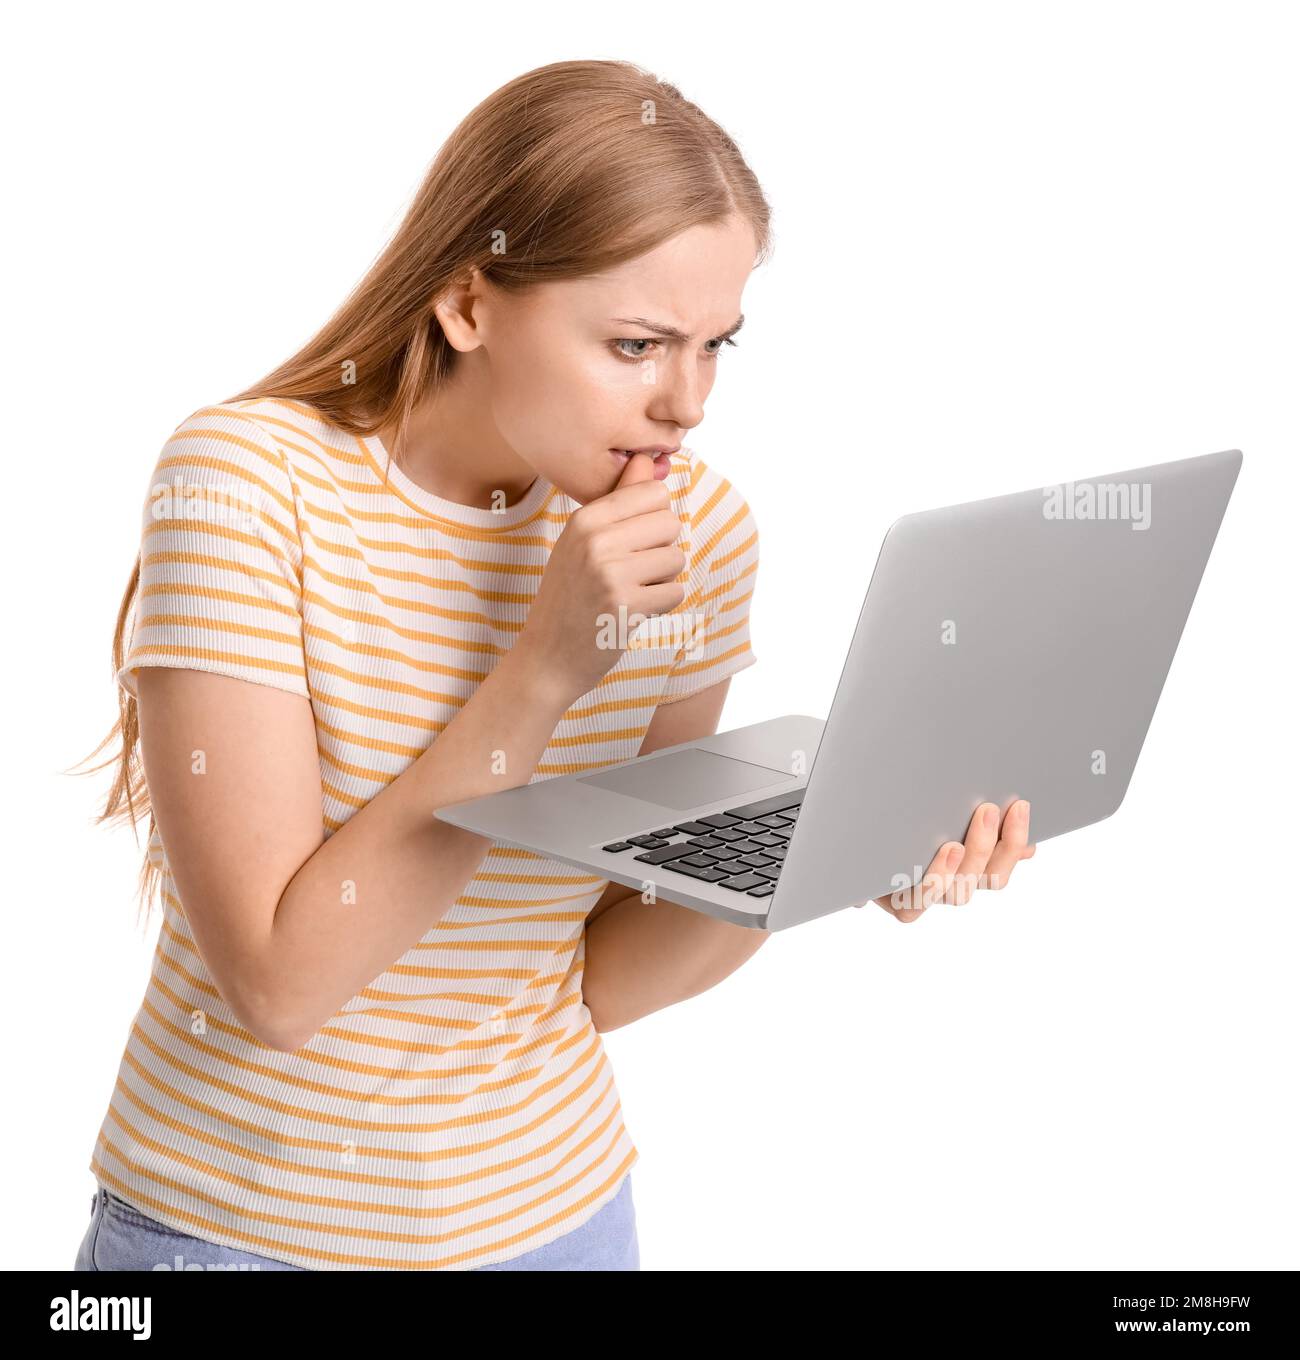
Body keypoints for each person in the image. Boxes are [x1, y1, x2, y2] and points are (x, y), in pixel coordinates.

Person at [72, 57, 1034, 1273]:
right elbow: (280, 986)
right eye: (636, 342)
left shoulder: (704, 539)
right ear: (469, 303)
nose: (687, 403)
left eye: (716, 344)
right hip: (244, 1233)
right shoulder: (249, 486)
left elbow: (599, 972)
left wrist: (824, 854)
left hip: (560, 1220)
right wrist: (543, 669)